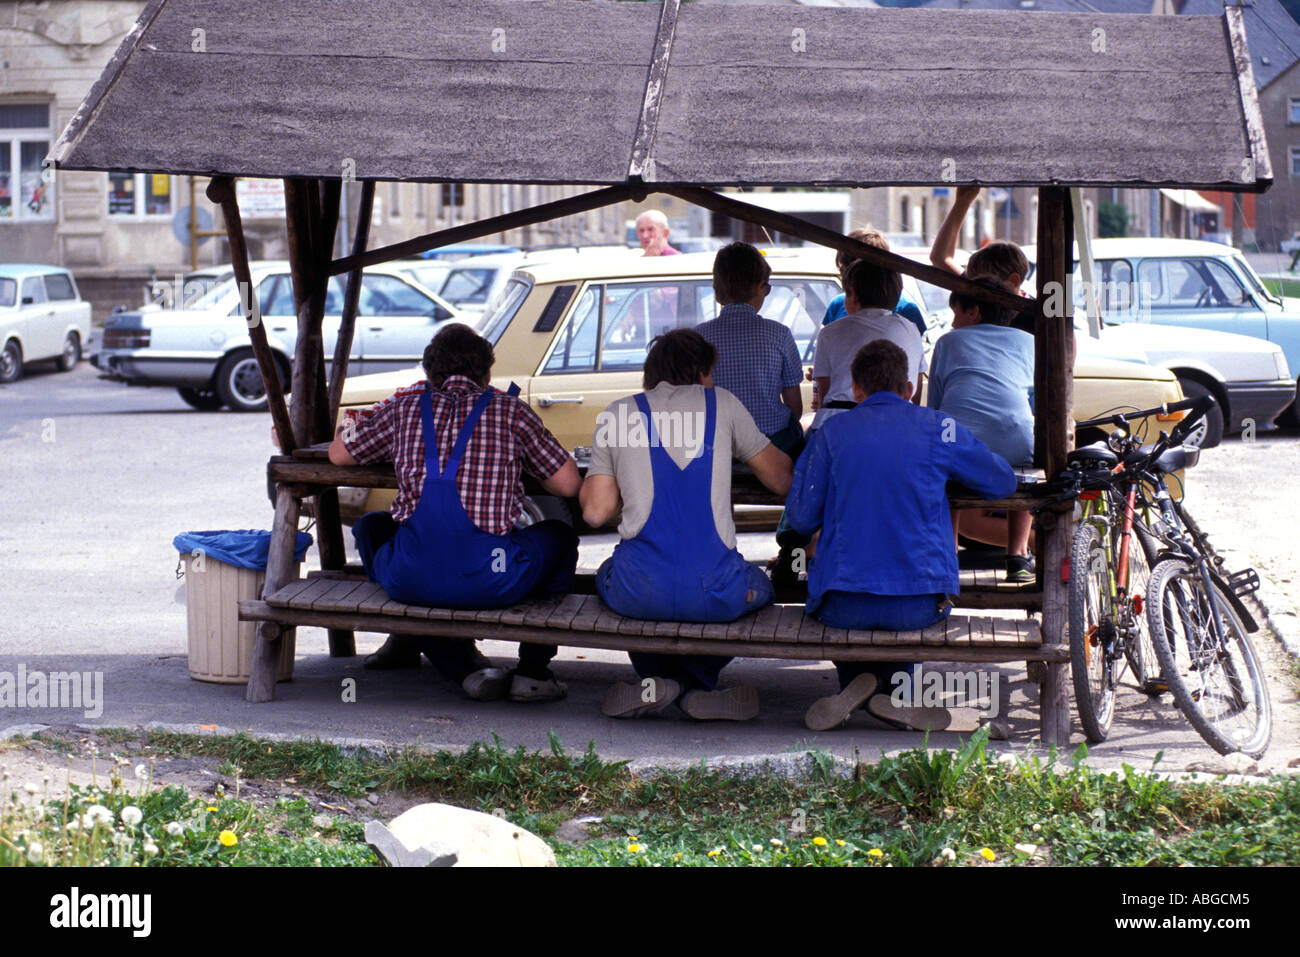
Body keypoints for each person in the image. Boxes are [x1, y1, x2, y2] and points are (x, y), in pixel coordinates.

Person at [330, 323, 582, 703]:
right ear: (487, 372)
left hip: (409, 577)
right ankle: (532, 673)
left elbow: (337, 455)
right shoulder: (511, 412)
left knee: (370, 527)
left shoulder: (404, 407)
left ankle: (455, 664)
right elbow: (568, 486)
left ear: (429, 373)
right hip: (493, 577)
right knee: (560, 537)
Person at [786, 340, 1017, 731]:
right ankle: (896, 696)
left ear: (856, 390)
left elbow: (801, 518)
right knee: (907, 617)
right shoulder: (937, 427)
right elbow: (1001, 481)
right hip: (918, 604)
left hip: (842, 603)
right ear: (909, 389)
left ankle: (859, 686)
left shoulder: (832, 433)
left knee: (851, 615)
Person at [580, 329, 793, 721]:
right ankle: (699, 684)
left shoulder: (619, 413)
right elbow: (782, 480)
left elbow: (594, 513)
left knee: (613, 577)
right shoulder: (723, 405)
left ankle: (657, 682)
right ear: (700, 373)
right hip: (715, 591)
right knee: (762, 585)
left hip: (637, 590)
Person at [928, 277, 1036, 581]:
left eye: (956, 313)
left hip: (954, 442)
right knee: (1023, 461)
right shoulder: (1029, 342)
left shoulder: (948, 342)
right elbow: (1036, 403)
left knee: (944, 461)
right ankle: (1017, 556)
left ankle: (947, 554)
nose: (953, 321)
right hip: (1014, 439)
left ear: (973, 311)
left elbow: (935, 407)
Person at [695, 242, 805, 457]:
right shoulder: (779, 334)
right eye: (767, 288)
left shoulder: (698, 338)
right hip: (774, 445)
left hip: (719, 446)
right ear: (758, 287)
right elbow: (795, 408)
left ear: (717, 290)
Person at [810, 258, 926, 432]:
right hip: (897, 422)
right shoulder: (911, 330)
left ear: (854, 295)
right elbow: (915, 391)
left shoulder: (829, 333)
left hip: (839, 423)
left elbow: (823, 396)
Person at [821, 227, 927, 336]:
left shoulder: (906, 310)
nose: (845, 278)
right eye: (843, 271)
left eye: (846, 271)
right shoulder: (837, 305)